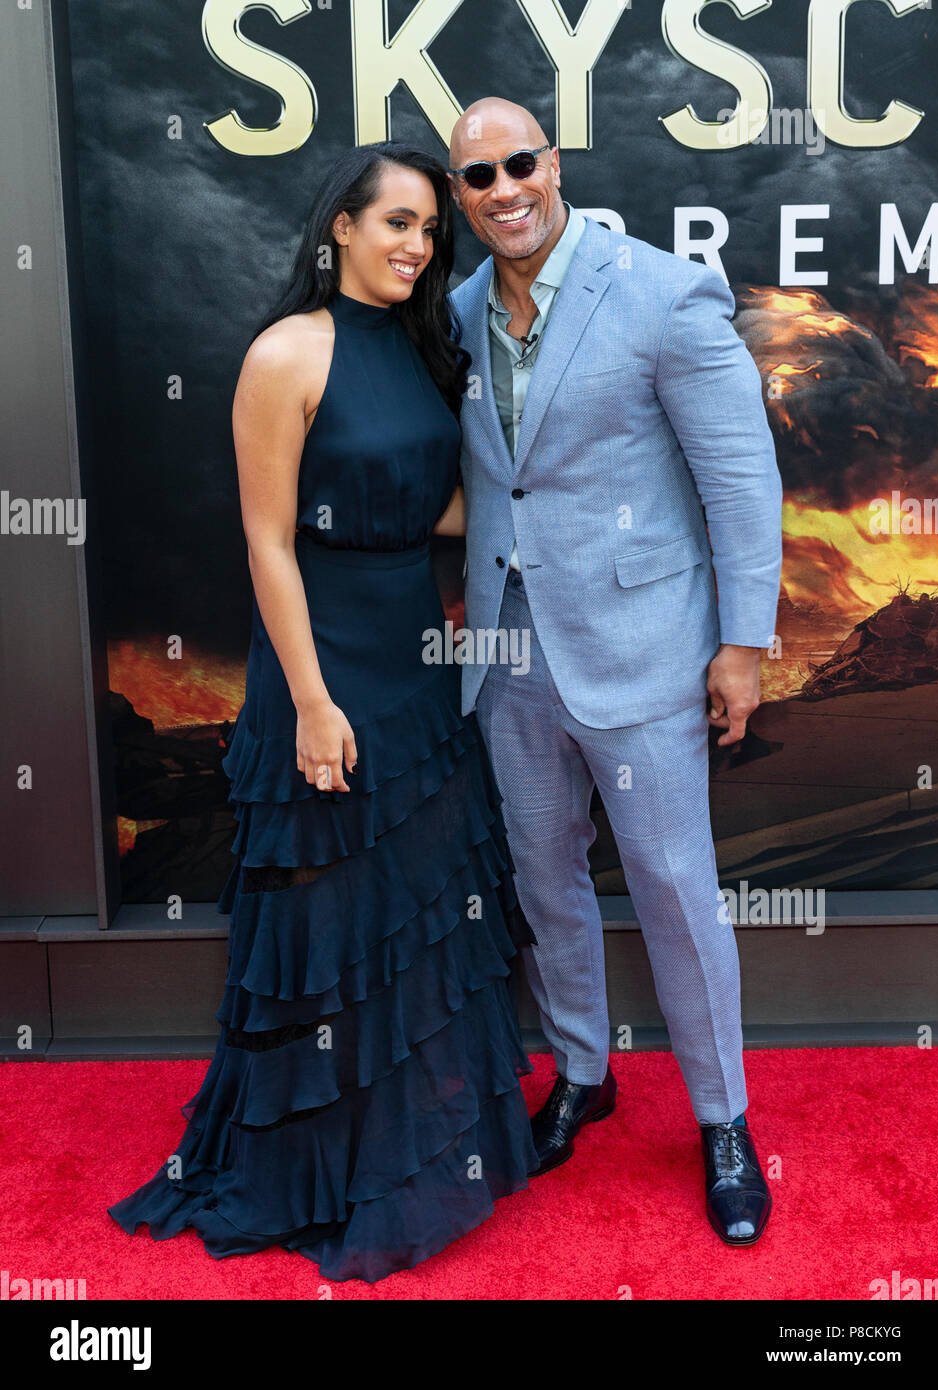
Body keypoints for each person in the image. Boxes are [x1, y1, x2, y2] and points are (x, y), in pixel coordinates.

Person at [107, 141, 538, 1283]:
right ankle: (307, 1164)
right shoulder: (287, 351)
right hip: (324, 654)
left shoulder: (427, 343)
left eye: (428, 231)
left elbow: (448, 507)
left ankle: (397, 1146)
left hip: (419, 653)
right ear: (336, 228)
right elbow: (264, 536)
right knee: (319, 913)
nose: (417, 245)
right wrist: (308, 699)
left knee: (411, 906)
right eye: (395, 222)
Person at [446, 98, 783, 1245]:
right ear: (460, 194)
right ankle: (583, 1074)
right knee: (545, 885)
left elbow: (740, 477)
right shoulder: (452, 314)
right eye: (477, 175)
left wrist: (742, 645)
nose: (504, 189)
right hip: (509, 656)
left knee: (678, 894)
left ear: (556, 162)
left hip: (644, 654)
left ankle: (724, 1119)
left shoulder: (661, 289)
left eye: (519, 163)